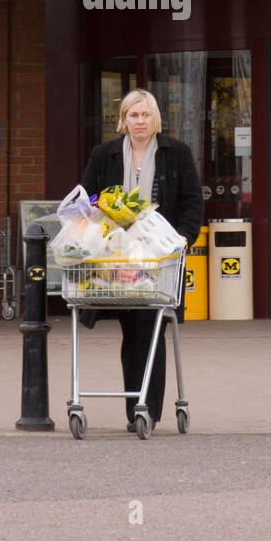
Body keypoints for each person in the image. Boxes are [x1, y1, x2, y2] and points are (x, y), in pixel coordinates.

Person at [82, 89, 202, 432]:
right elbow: (87, 195)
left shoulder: (175, 153)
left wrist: (184, 237)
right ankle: (134, 408)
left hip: (159, 255)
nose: (139, 122)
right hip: (118, 257)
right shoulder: (104, 154)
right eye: (133, 115)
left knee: (152, 328)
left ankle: (147, 408)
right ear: (124, 119)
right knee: (130, 329)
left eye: (145, 115)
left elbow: (193, 201)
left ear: (155, 119)